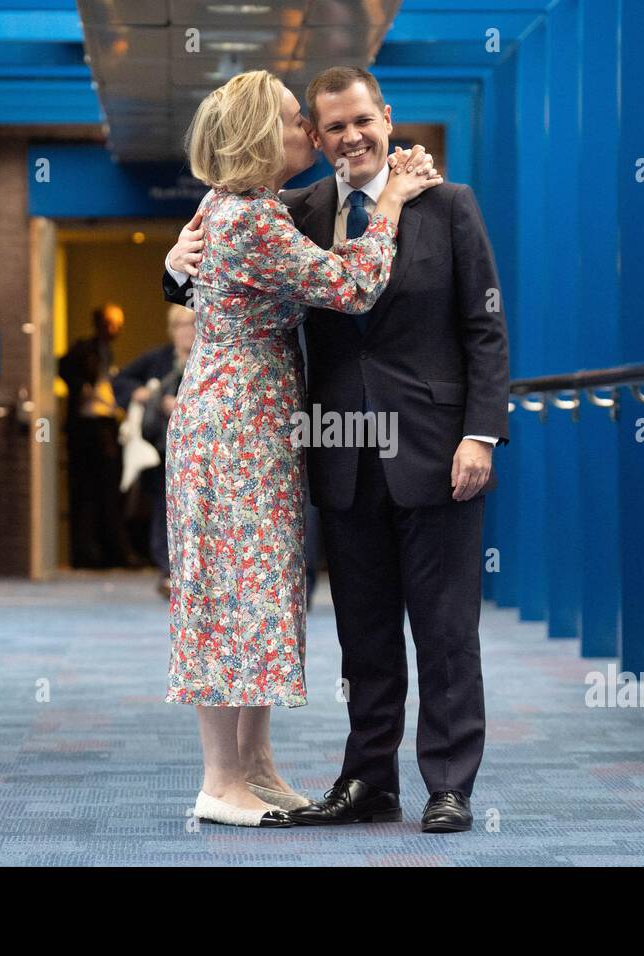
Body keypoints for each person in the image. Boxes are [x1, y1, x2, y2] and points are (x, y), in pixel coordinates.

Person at [165, 66, 509, 833]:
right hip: (332, 450)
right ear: (313, 138)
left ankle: (448, 785)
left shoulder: (449, 204)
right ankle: (367, 780)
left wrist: (480, 433)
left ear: (386, 117)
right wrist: (168, 266)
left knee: (447, 629)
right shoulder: (291, 209)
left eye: (364, 120)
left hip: (432, 446)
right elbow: (207, 263)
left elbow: (484, 327)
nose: (352, 136)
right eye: (331, 126)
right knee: (363, 634)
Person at [112, 303, 196, 598]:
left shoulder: (207, 357)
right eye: (182, 325)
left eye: (193, 323)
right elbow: (120, 380)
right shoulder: (159, 359)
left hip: (199, 447)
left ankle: (191, 572)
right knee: (164, 507)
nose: (188, 331)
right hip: (161, 447)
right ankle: (168, 571)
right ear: (172, 330)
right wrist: (148, 396)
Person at [57, 303, 131, 569]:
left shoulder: (105, 353)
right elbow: (62, 366)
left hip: (106, 425)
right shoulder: (86, 349)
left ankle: (108, 552)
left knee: (108, 491)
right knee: (87, 491)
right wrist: (82, 388)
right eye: (113, 323)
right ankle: (88, 553)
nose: (117, 330)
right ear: (101, 323)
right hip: (89, 428)